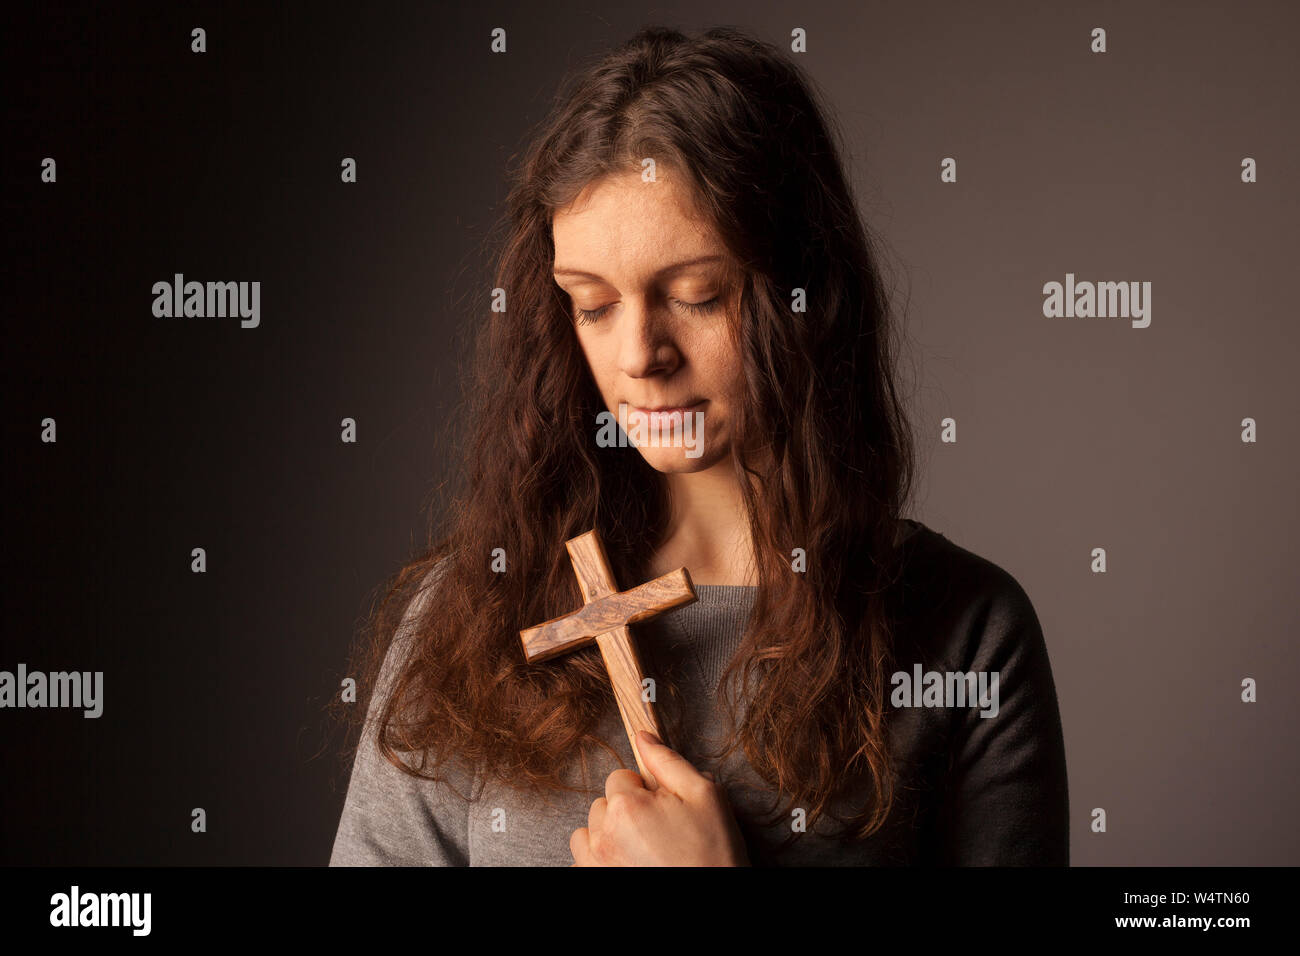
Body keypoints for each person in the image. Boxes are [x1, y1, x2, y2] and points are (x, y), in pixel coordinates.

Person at [328, 25, 1068, 866]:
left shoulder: (966, 634)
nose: (640, 354)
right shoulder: (466, 618)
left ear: (805, 294)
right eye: (594, 306)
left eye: (697, 295)